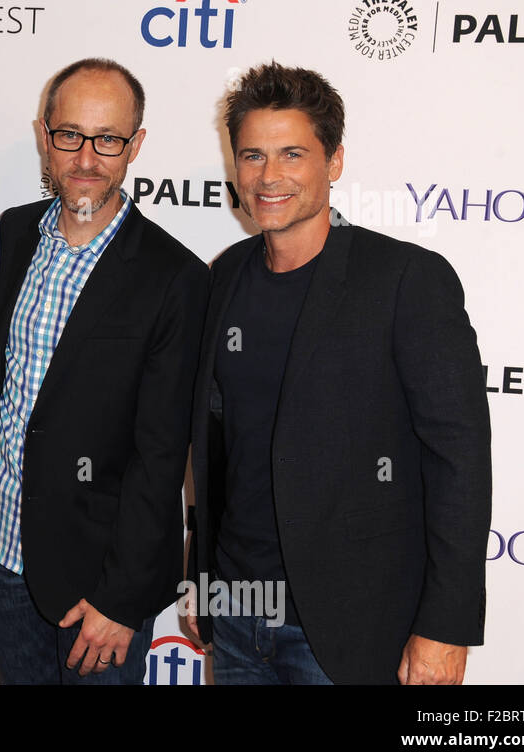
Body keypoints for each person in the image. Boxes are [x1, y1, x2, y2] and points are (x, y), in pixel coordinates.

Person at [186, 62, 491, 684]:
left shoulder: (405, 280)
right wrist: (202, 579)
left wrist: (445, 627)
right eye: (252, 155)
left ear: (335, 161)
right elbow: (219, 447)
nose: (268, 176)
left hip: (352, 628)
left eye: (292, 153)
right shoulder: (225, 276)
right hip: (239, 615)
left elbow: (459, 460)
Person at [0, 59, 208, 684]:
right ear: (44, 136)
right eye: (70, 135)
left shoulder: (174, 277)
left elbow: (162, 457)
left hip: (96, 587)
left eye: (108, 140)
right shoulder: (12, 232)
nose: (86, 157)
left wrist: (123, 598)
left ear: (136, 146)